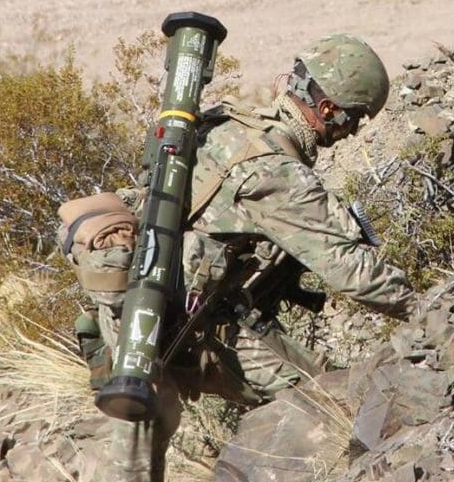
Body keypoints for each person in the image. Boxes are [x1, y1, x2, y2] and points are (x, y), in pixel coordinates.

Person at [79, 34, 416, 481]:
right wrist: (429, 310)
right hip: (173, 324)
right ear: (329, 109)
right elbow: (352, 272)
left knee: (143, 445)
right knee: (322, 403)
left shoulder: (226, 121)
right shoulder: (276, 173)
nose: (352, 131)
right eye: (354, 119)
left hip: (148, 303)